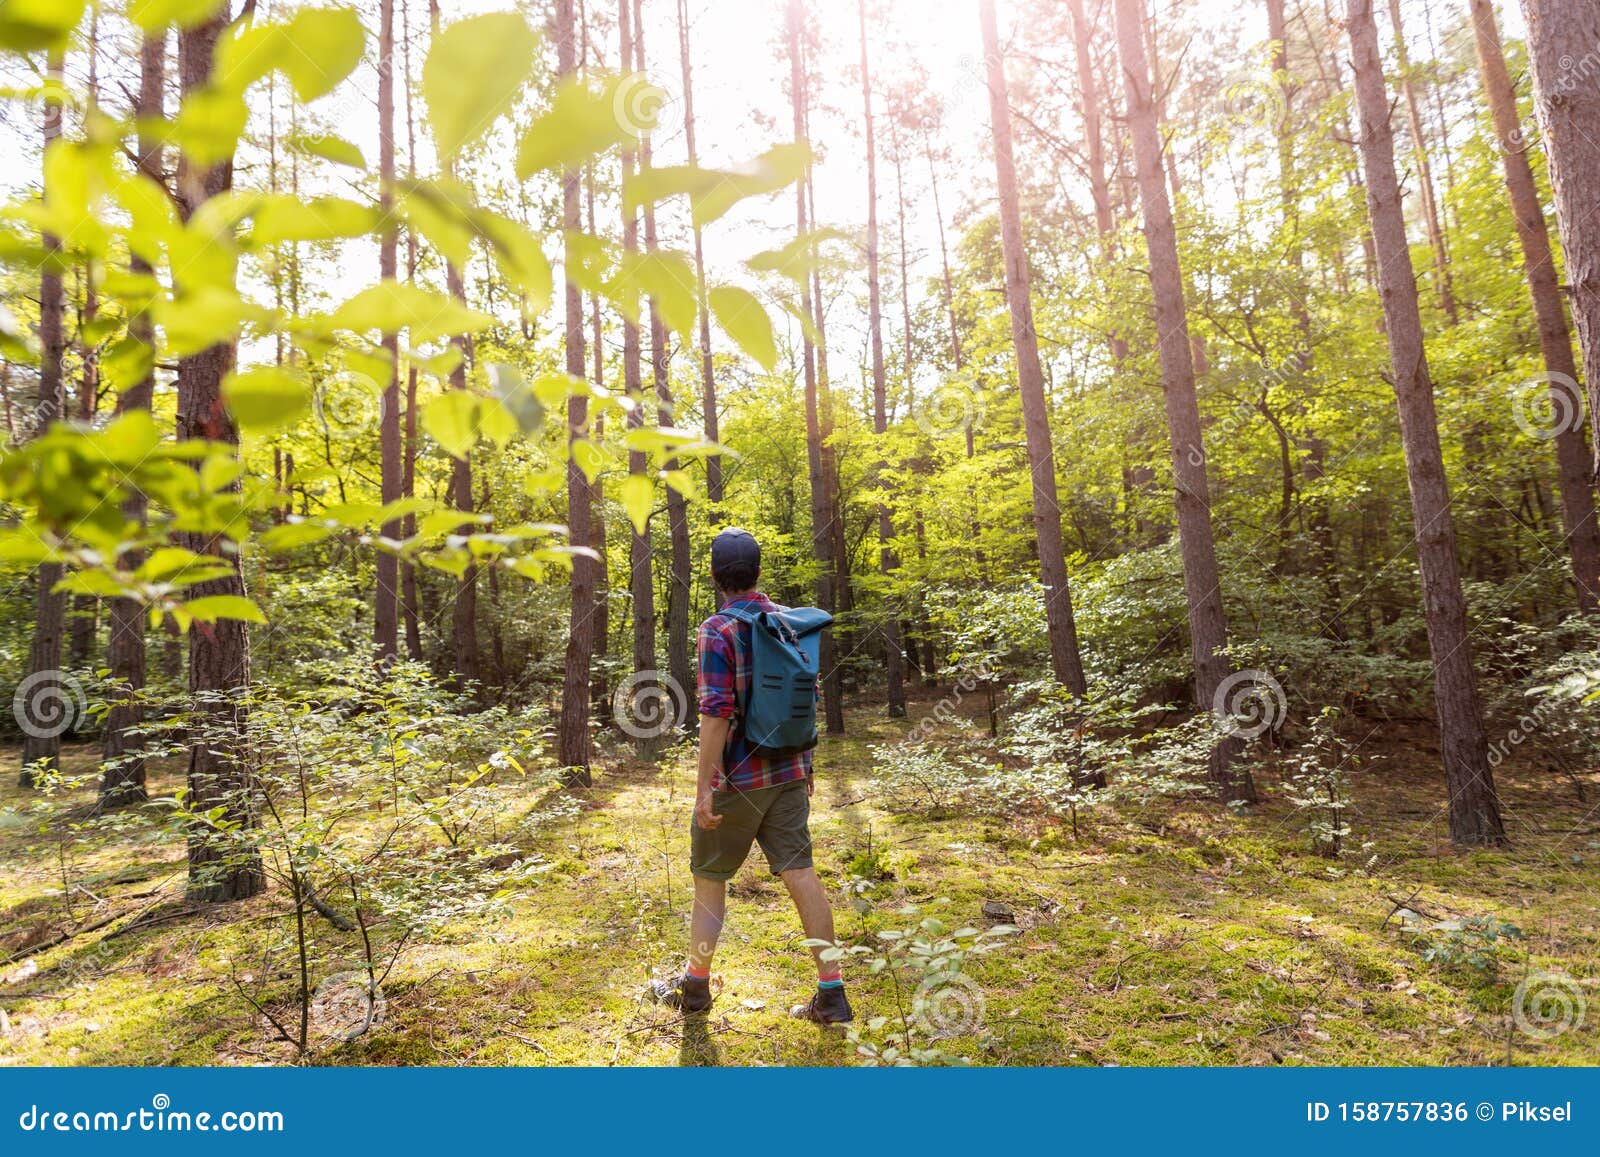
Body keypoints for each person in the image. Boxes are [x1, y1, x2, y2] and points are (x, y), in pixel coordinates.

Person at [645, 527, 852, 1024]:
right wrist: (807, 768)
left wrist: (703, 790)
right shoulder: (791, 622)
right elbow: (808, 701)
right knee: (801, 873)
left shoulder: (719, 629)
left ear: (716, 575)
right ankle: (833, 993)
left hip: (737, 779)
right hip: (789, 770)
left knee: (709, 880)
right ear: (758, 572)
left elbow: (716, 713)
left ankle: (695, 988)